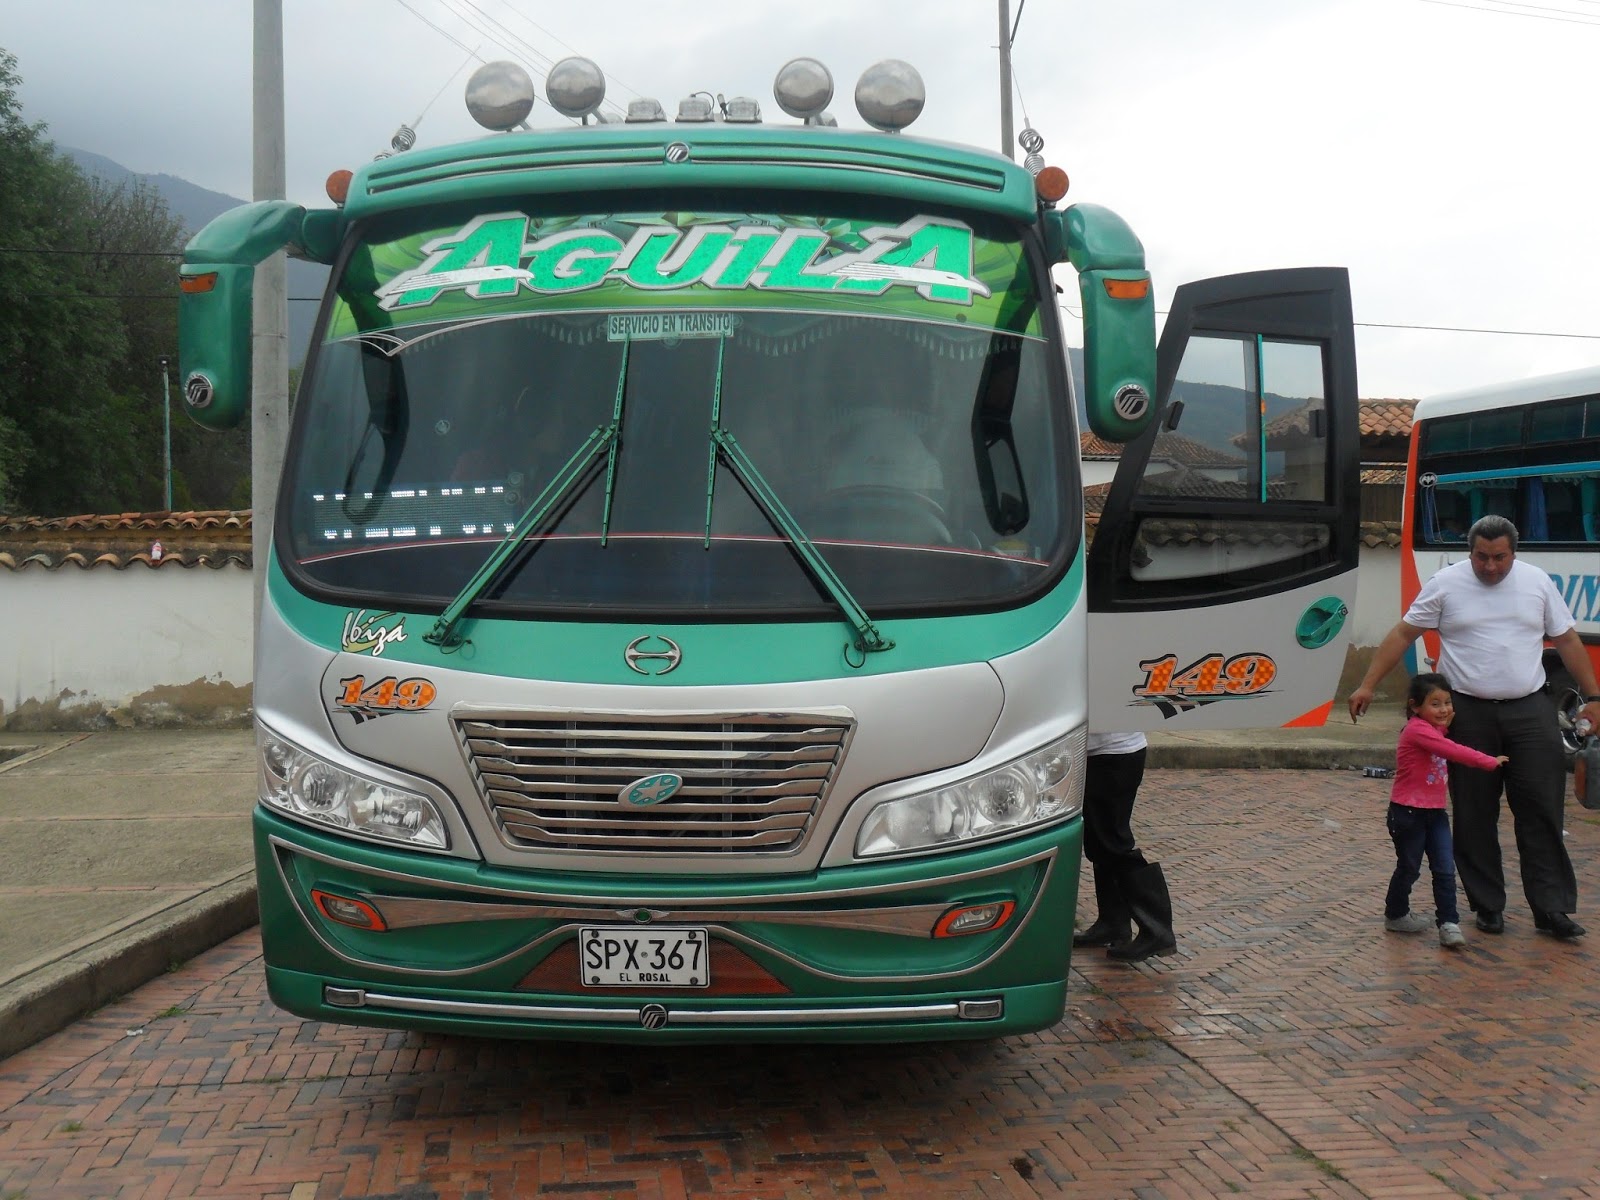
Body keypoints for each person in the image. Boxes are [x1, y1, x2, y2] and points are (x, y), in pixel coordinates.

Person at [1348, 515, 1600, 940]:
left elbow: (1568, 640)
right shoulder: (1446, 584)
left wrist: (1595, 697)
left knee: (1541, 808)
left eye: (1499, 557)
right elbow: (1403, 633)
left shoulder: (1536, 582)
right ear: (1470, 551)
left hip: (1529, 709)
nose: (1490, 567)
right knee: (1473, 812)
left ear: (1513, 553)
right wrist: (1368, 684)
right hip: (1466, 712)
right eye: (1481, 557)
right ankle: (1488, 906)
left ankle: (1552, 909)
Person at [1383, 673, 1508, 949]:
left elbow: (1440, 740)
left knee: (1444, 869)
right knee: (1409, 868)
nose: (1444, 710)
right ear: (1415, 707)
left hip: (1435, 813)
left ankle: (1449, 924)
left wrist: (1442, 727)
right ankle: (1396, 913)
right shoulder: (1416, 730)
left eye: (1447, 703)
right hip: (1407, 813)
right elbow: (1452, 751)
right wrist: (1489, 761)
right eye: (1435, 704)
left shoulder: (1431, 730)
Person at [1072, 730, 1177, 962]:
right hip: (1103, 754)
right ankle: (1112, 923)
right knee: (1099, 843)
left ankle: (1157, 929)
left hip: (1113, 755)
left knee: (1114, 844)